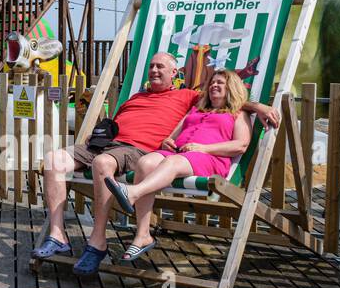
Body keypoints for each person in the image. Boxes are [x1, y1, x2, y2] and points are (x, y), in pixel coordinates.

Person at [34, 50, 278, 274]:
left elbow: (225, 98)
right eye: (151, 66)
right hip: (107, 145)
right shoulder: (136, 97)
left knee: (102, 164)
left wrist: (259, 106)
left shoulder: (187, 97)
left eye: (160, 66)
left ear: (175, 73)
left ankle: (97, 241)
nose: (154, 70)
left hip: (135, 151)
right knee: (53, 159)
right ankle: (57, 235)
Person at [103, 69, 253, 261]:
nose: (214, 85)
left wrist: (204, 149)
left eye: (220, 83)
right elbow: (173, 134)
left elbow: (241, 145)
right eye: (213, 82)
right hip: (178, 153)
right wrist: (168, 141)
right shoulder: (197, 109)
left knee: (171, 162)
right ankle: (142, 236)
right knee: (145, 162)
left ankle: (132, 192)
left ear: (231, 87)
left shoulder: (239, 113)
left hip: (210, 158)